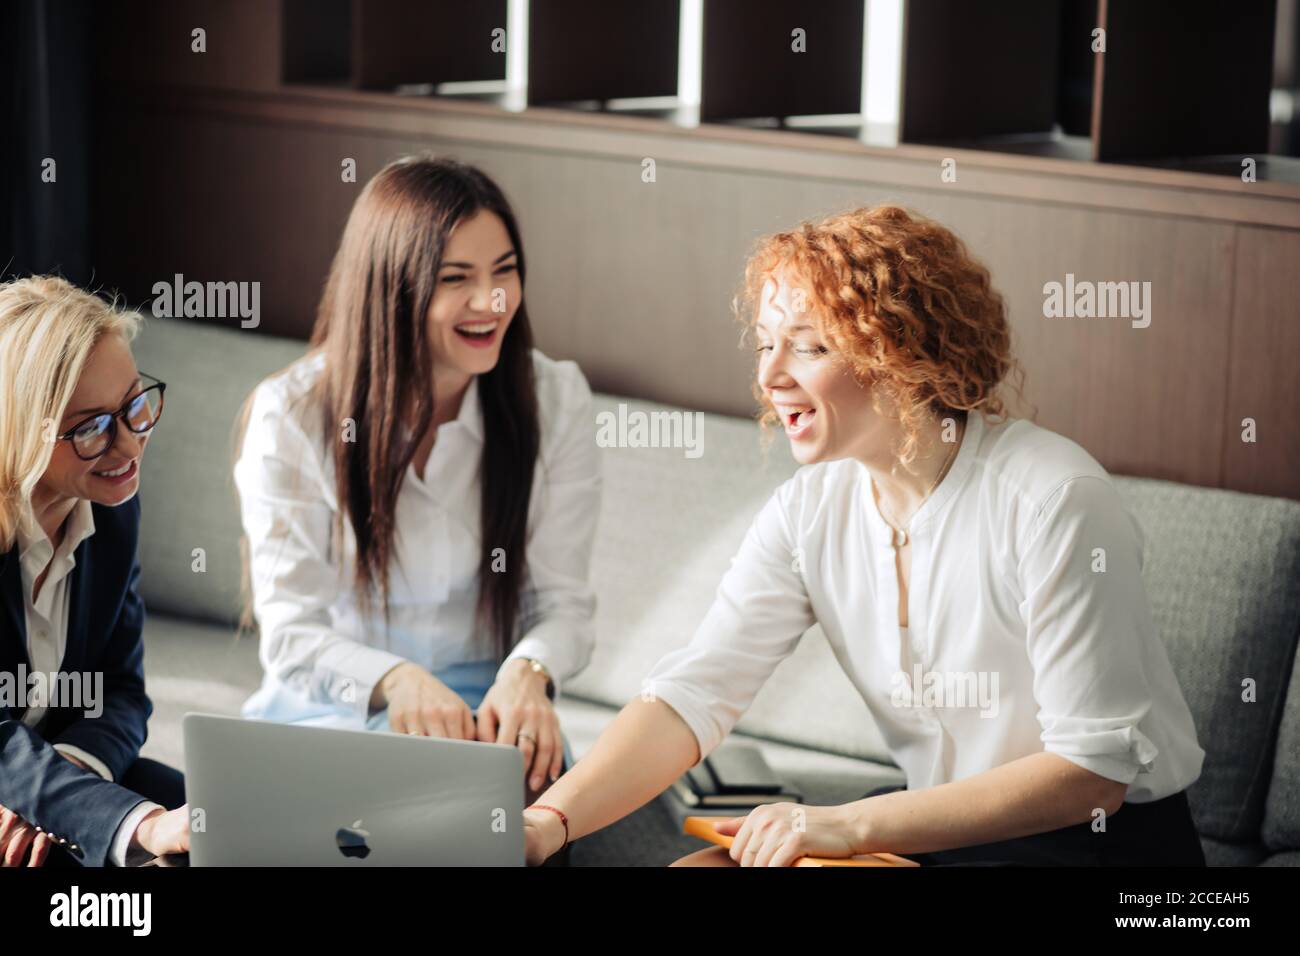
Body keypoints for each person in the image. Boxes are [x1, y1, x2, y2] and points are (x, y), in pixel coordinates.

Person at [523, 205, 1206, 867]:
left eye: (809, 346)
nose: (768, 376)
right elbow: (694, 694)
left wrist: (847, 825)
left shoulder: (1054, 499)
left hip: (1095, 843)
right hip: (937, 826)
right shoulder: (809, 512)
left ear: (903, 355)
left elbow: (1092, 776)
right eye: (766, 343)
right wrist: (547, 824)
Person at [235, 156, 600, 805]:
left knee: (492, 817)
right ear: (390, 288)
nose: (490, 302)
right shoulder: (292, 415)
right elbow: (291, 634)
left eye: (505, 271)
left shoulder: (556, 399)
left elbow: (562, 606)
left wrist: (528, 670)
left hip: (489, 716)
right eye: (455, 278)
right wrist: (398, 681)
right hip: (339, 709)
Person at [0, 275, 191, 866]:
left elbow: (122, 692)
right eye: (90, 428)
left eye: (134, 405)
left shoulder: (111, 510)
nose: (130, 446)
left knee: (205, 808)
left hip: (47, 768)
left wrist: (70, 782)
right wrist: (135, 824)